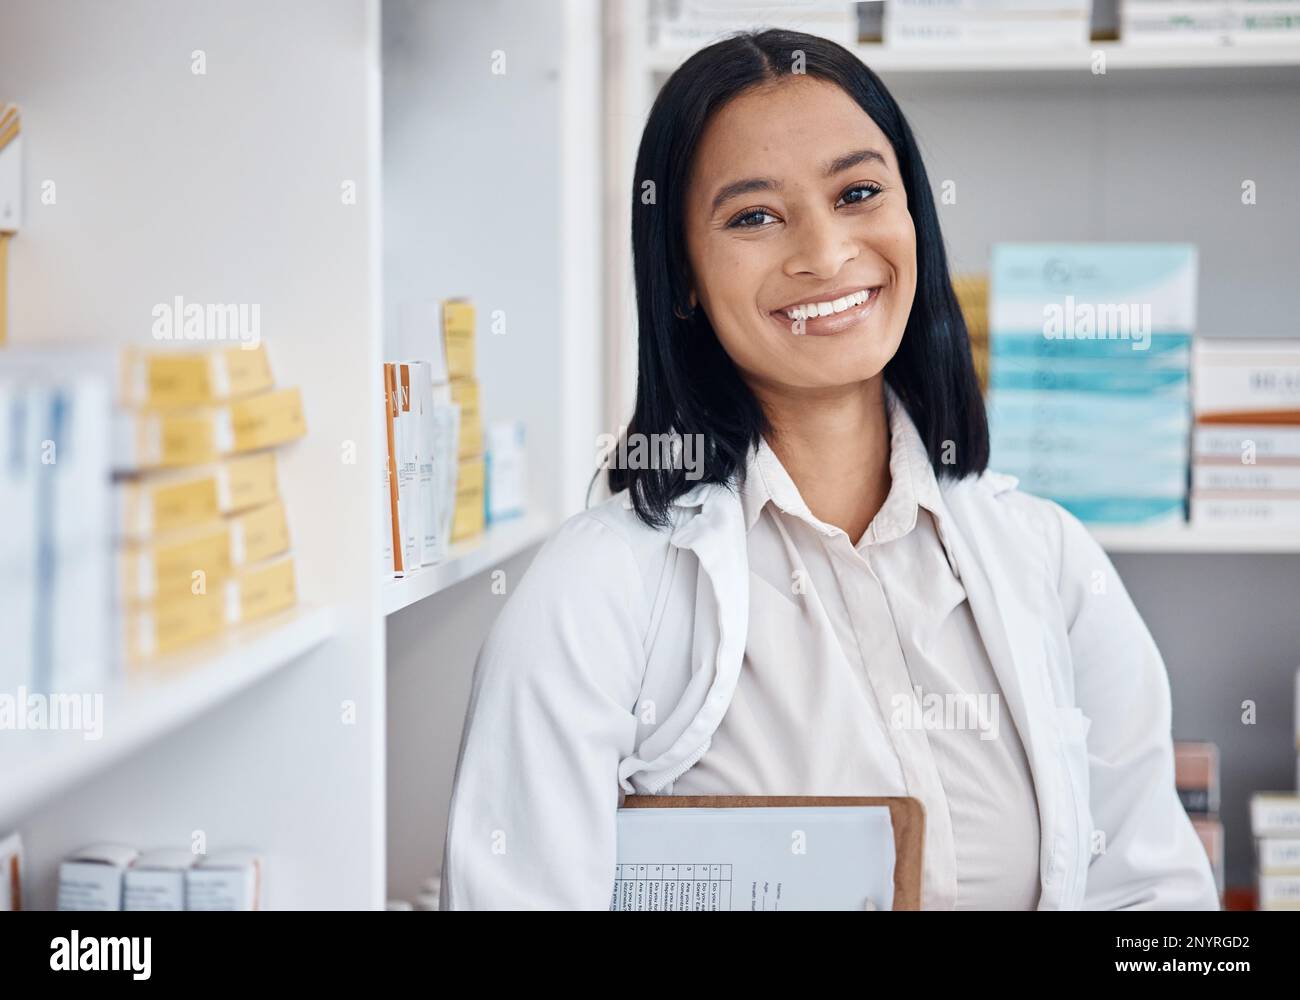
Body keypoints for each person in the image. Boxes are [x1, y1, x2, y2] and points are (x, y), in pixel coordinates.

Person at [440, 29, 1219, 911]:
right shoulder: (595, 593)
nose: (823, 252)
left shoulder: (1052, 563)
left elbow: (1163, 914)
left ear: (913, 216)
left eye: (857, 193)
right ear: (684, 276)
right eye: (753, 217)